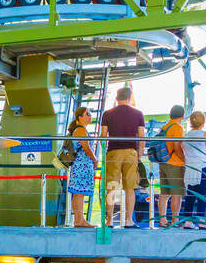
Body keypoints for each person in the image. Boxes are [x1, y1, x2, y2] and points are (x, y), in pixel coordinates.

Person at [99, 86, 145, 228]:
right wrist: (140, 153)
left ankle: (109, 221)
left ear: (117, 98)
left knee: (112, 186)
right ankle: (129, 220)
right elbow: (141, 136)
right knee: (130, 188)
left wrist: (104, 151)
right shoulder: (138, 113)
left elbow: (103, 135)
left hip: (113, 152)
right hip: (131, 152)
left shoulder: (108, 113)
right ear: (129, 98)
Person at [181, 110, 206, 227]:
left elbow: (184, 150)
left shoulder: (186, 136)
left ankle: (187, 221)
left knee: (190, 195)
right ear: (203, 121)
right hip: (203, 167)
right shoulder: (205, 135)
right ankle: (201, 221)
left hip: (190, 167)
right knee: (203, 195)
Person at [63, 106, 97, 227]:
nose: (90, 116)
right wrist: (95, 159)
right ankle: (79, 220)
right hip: (82, 165)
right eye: (87, 114)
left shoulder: (79, 130)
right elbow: (86, 147)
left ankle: (79, 219)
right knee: (79, 193)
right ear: (80, 117)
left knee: (79, 193)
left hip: (80, 165)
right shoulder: (81, 130)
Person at [155, 105, 186, 227]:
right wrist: (184, 159)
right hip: (174, 163)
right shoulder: (177, 128)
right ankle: (174, 220)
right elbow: (177, 147)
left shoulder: (165, 126)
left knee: (164, 194)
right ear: (183, 116)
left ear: (170, 115)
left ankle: (162, 220)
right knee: (176, 194)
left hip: (163, 162)